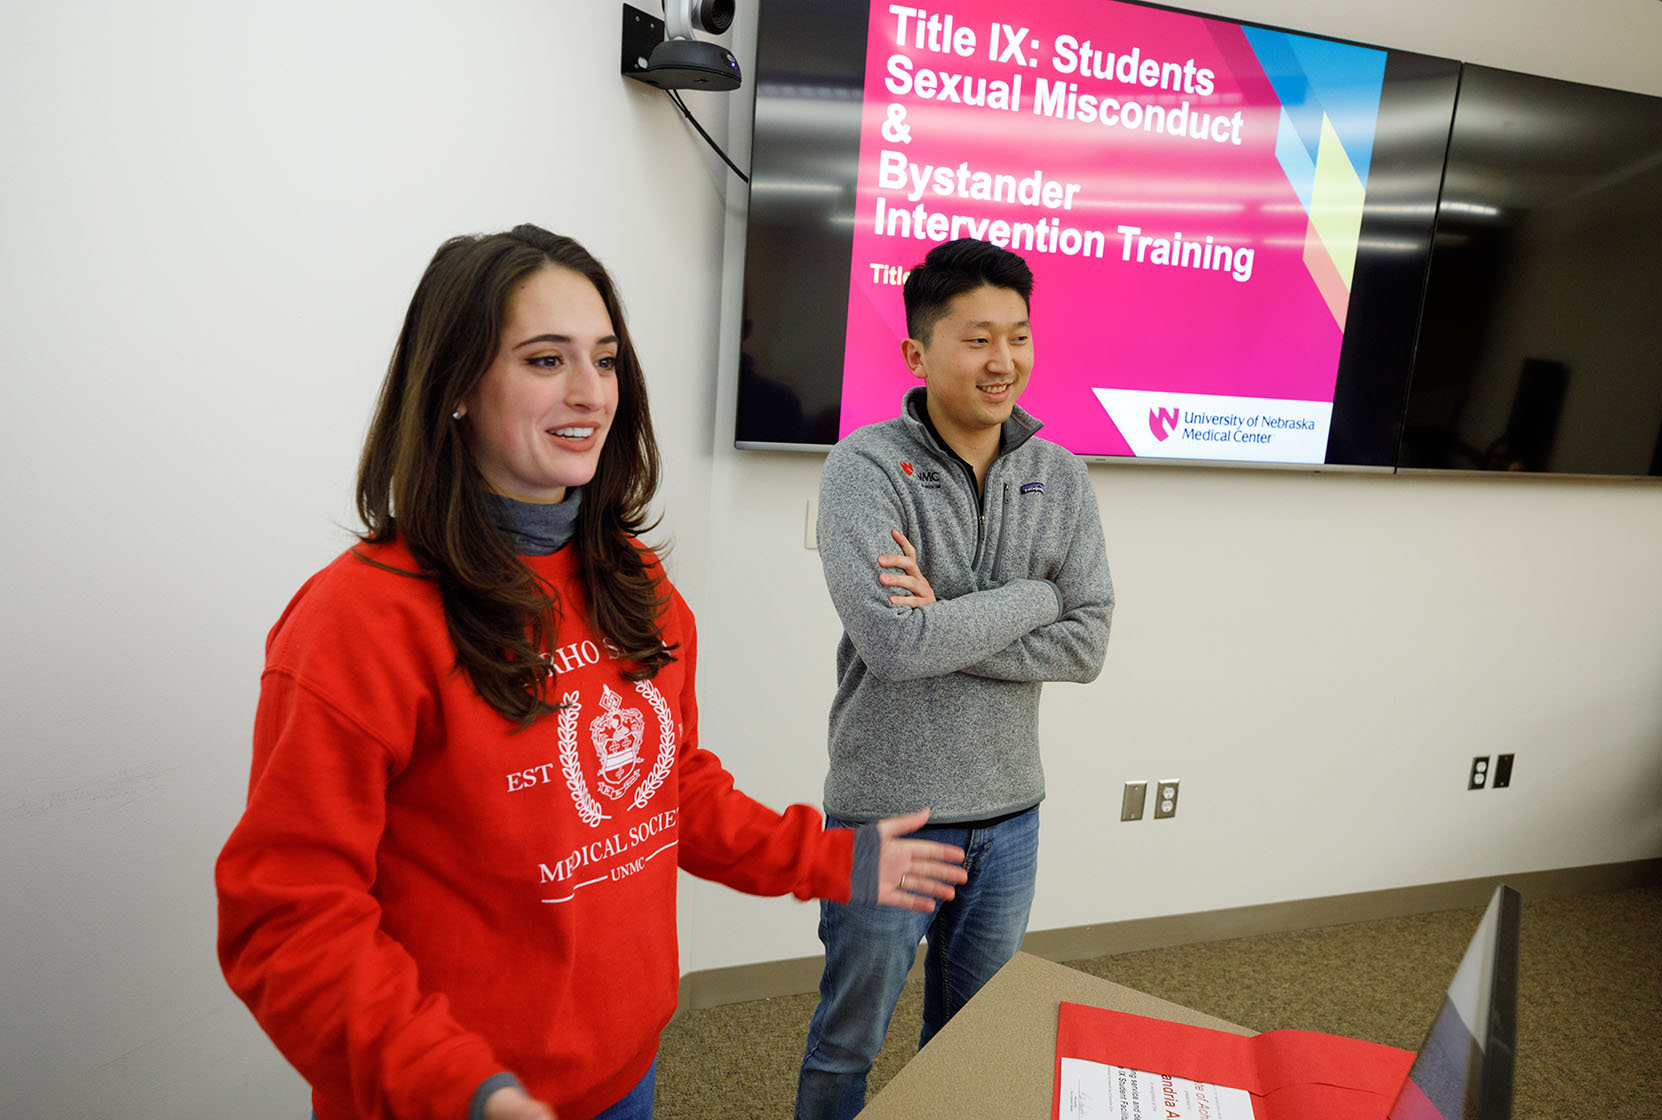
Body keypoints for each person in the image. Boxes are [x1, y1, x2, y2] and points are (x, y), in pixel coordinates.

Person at [214, 224, 968, 1120]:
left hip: (623, 1074)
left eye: (605, 360)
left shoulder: (634, 583)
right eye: (544, 360)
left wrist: (829, 857)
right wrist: (466, 1089)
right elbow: (289, 919)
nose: (589, 393)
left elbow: (668, 789)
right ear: (456, 384)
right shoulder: (357, 620)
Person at [794, 238, 1115, 1119]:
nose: (1003, 361)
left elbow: (1087, 644)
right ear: (917, 352)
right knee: (845, 1046)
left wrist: (952, 618)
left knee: (973, 1043)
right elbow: (895, 645)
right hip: (889, 814)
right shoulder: (864, 467)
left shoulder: (1061, 475)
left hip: (1011, 815)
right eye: (977, 339)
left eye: (1017, 336)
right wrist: (1034, 595)